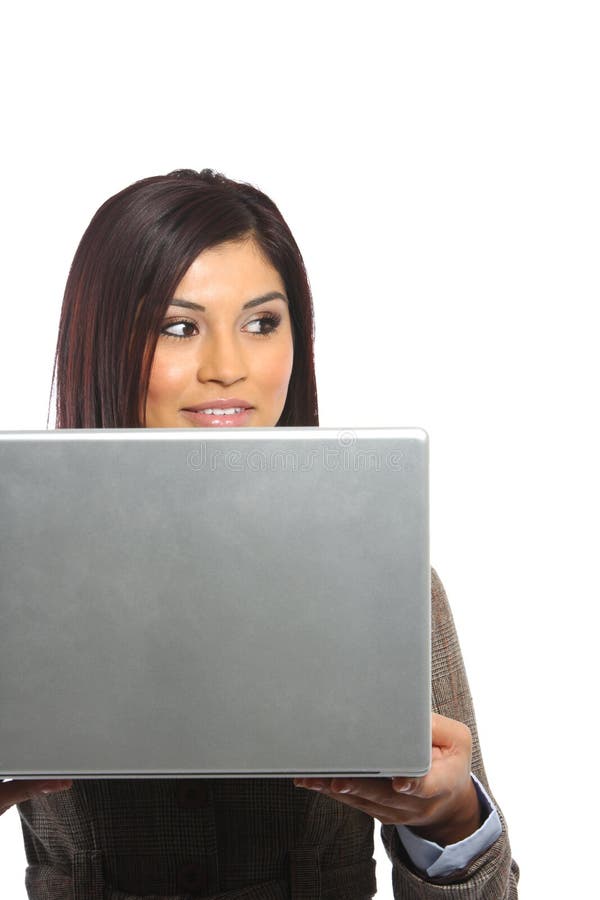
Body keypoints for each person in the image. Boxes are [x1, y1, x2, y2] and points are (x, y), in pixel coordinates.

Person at [2, 169, 519, 899]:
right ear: (104, 340)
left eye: (262, 322)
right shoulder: (16, 586)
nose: (229, 369)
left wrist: (452, 820)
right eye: (178, 327)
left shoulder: (385, 584)